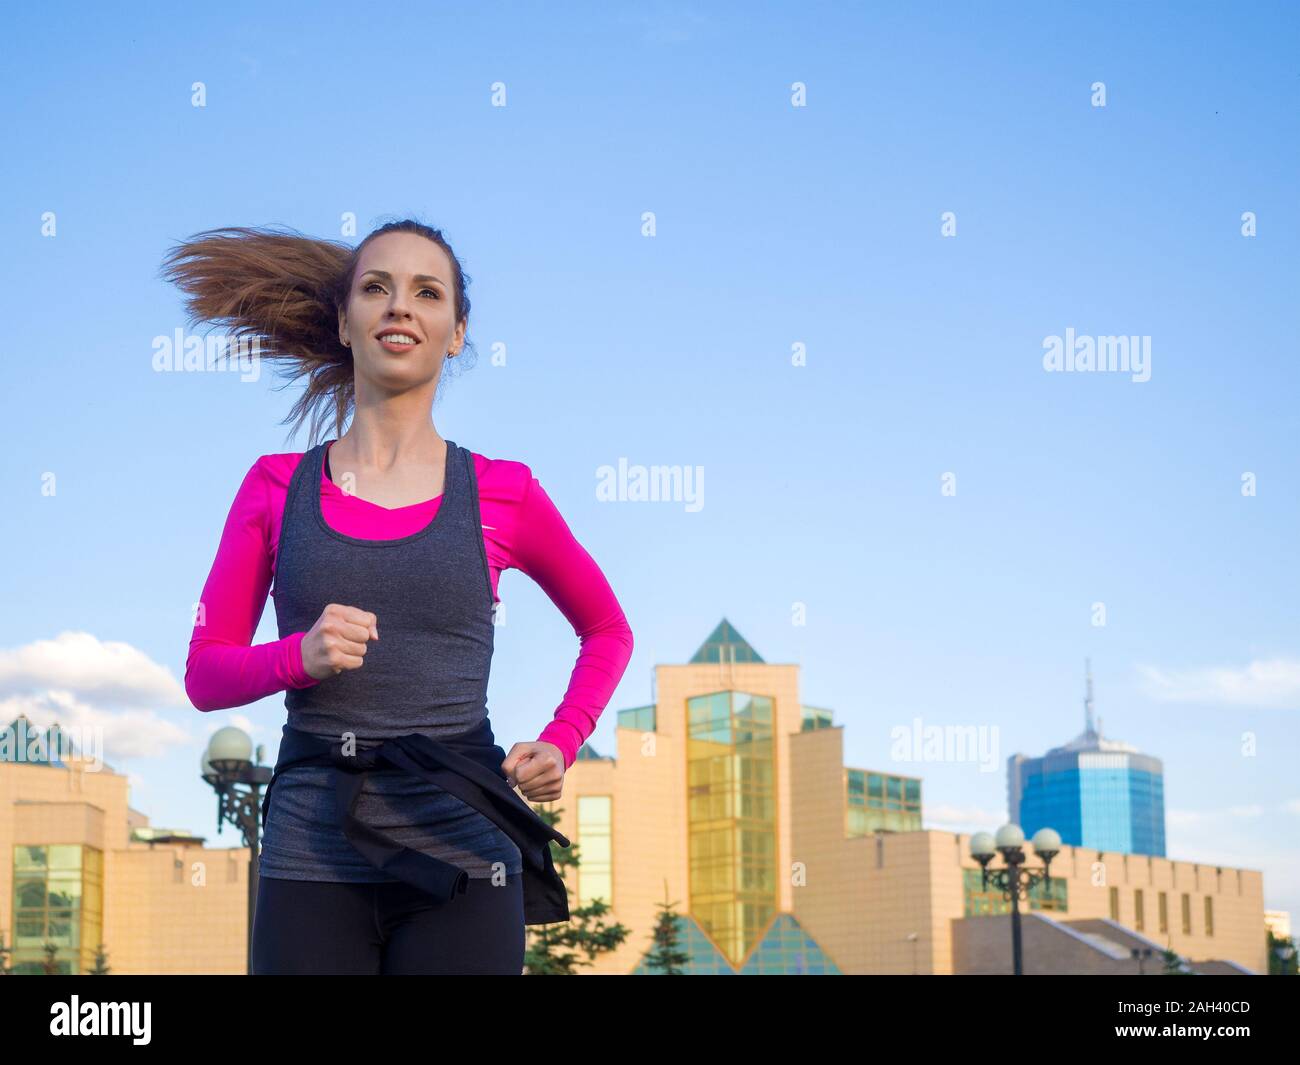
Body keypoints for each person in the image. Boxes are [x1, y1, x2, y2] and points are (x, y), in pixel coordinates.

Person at [165, 219, 634, 974]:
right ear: (346, 323)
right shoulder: (274, 487)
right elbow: (204, 673)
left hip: (464, 856)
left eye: (427, 292)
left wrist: (562, 738)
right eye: (376, 288)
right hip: (310, 854)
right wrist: (298, 656)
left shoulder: (502, 492)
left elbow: (608, 628)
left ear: (456, 333)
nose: (400, 306)